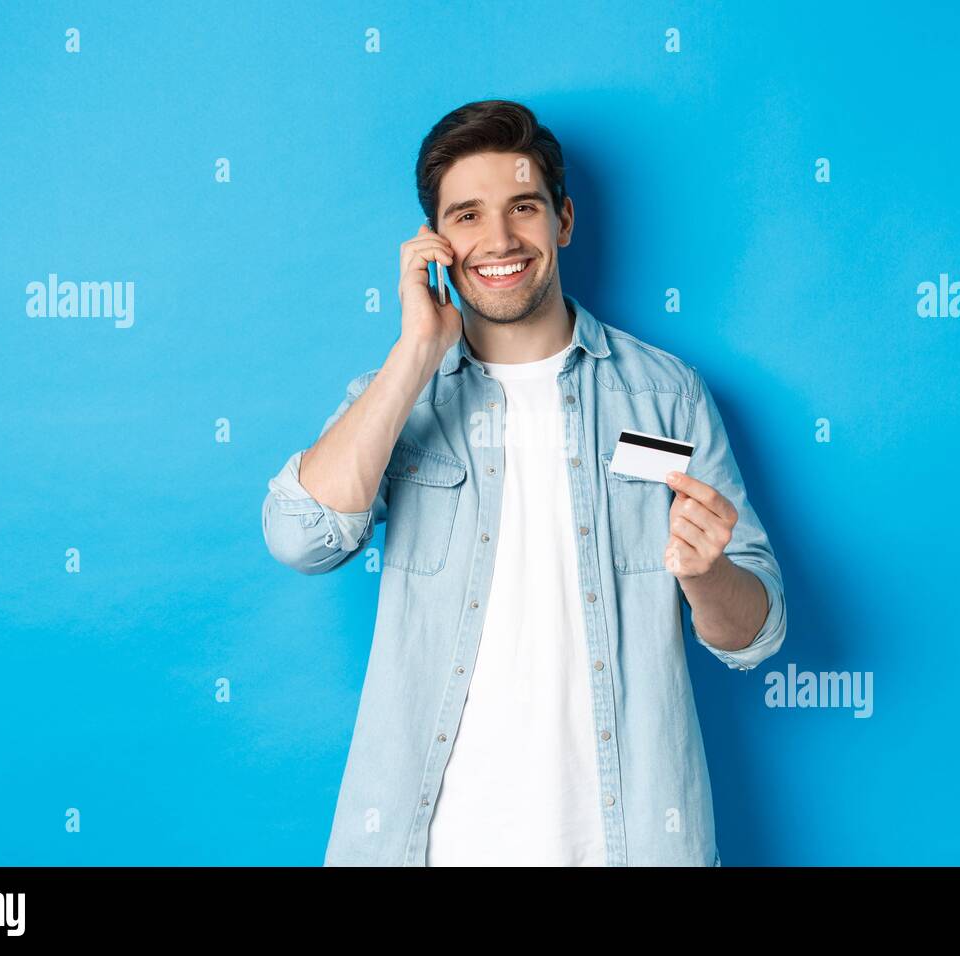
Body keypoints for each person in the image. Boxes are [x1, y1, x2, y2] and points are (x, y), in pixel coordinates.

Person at [262, 99, 787, 866]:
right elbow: (298, 537)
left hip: (626, 842)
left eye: (523, 208)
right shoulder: (400, 395)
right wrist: (415, 352)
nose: (500, 240)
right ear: (435, 244)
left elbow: (758, 635)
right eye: (467, 216)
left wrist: (708, 576)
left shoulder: (667, 397)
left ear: (564, 221)